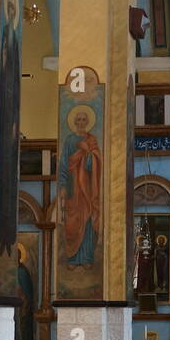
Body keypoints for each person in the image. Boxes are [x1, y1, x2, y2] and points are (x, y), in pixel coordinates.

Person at [0, 0, 21, 260]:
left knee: (8, 176)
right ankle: (2, 235)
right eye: (10, 7)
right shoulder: (4, 36)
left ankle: (6, 235)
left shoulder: (15, 43)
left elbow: (13, 77)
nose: (12, 11)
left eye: (15, 8)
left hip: (10, 114)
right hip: (2, 113)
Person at [58, 106, 101, 267]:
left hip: (88, 187)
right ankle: (73, 258)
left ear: (88, 122)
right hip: (72, 186)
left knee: (88, 218)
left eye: (84, 119)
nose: (81, 122)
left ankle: (87, 258)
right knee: (73, 220)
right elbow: (63, 164)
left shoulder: (92, 140)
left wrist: (89, 153)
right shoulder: (69, 140)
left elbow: (96, 162)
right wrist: (62, 185)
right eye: (78, 120)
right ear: (75, 122)